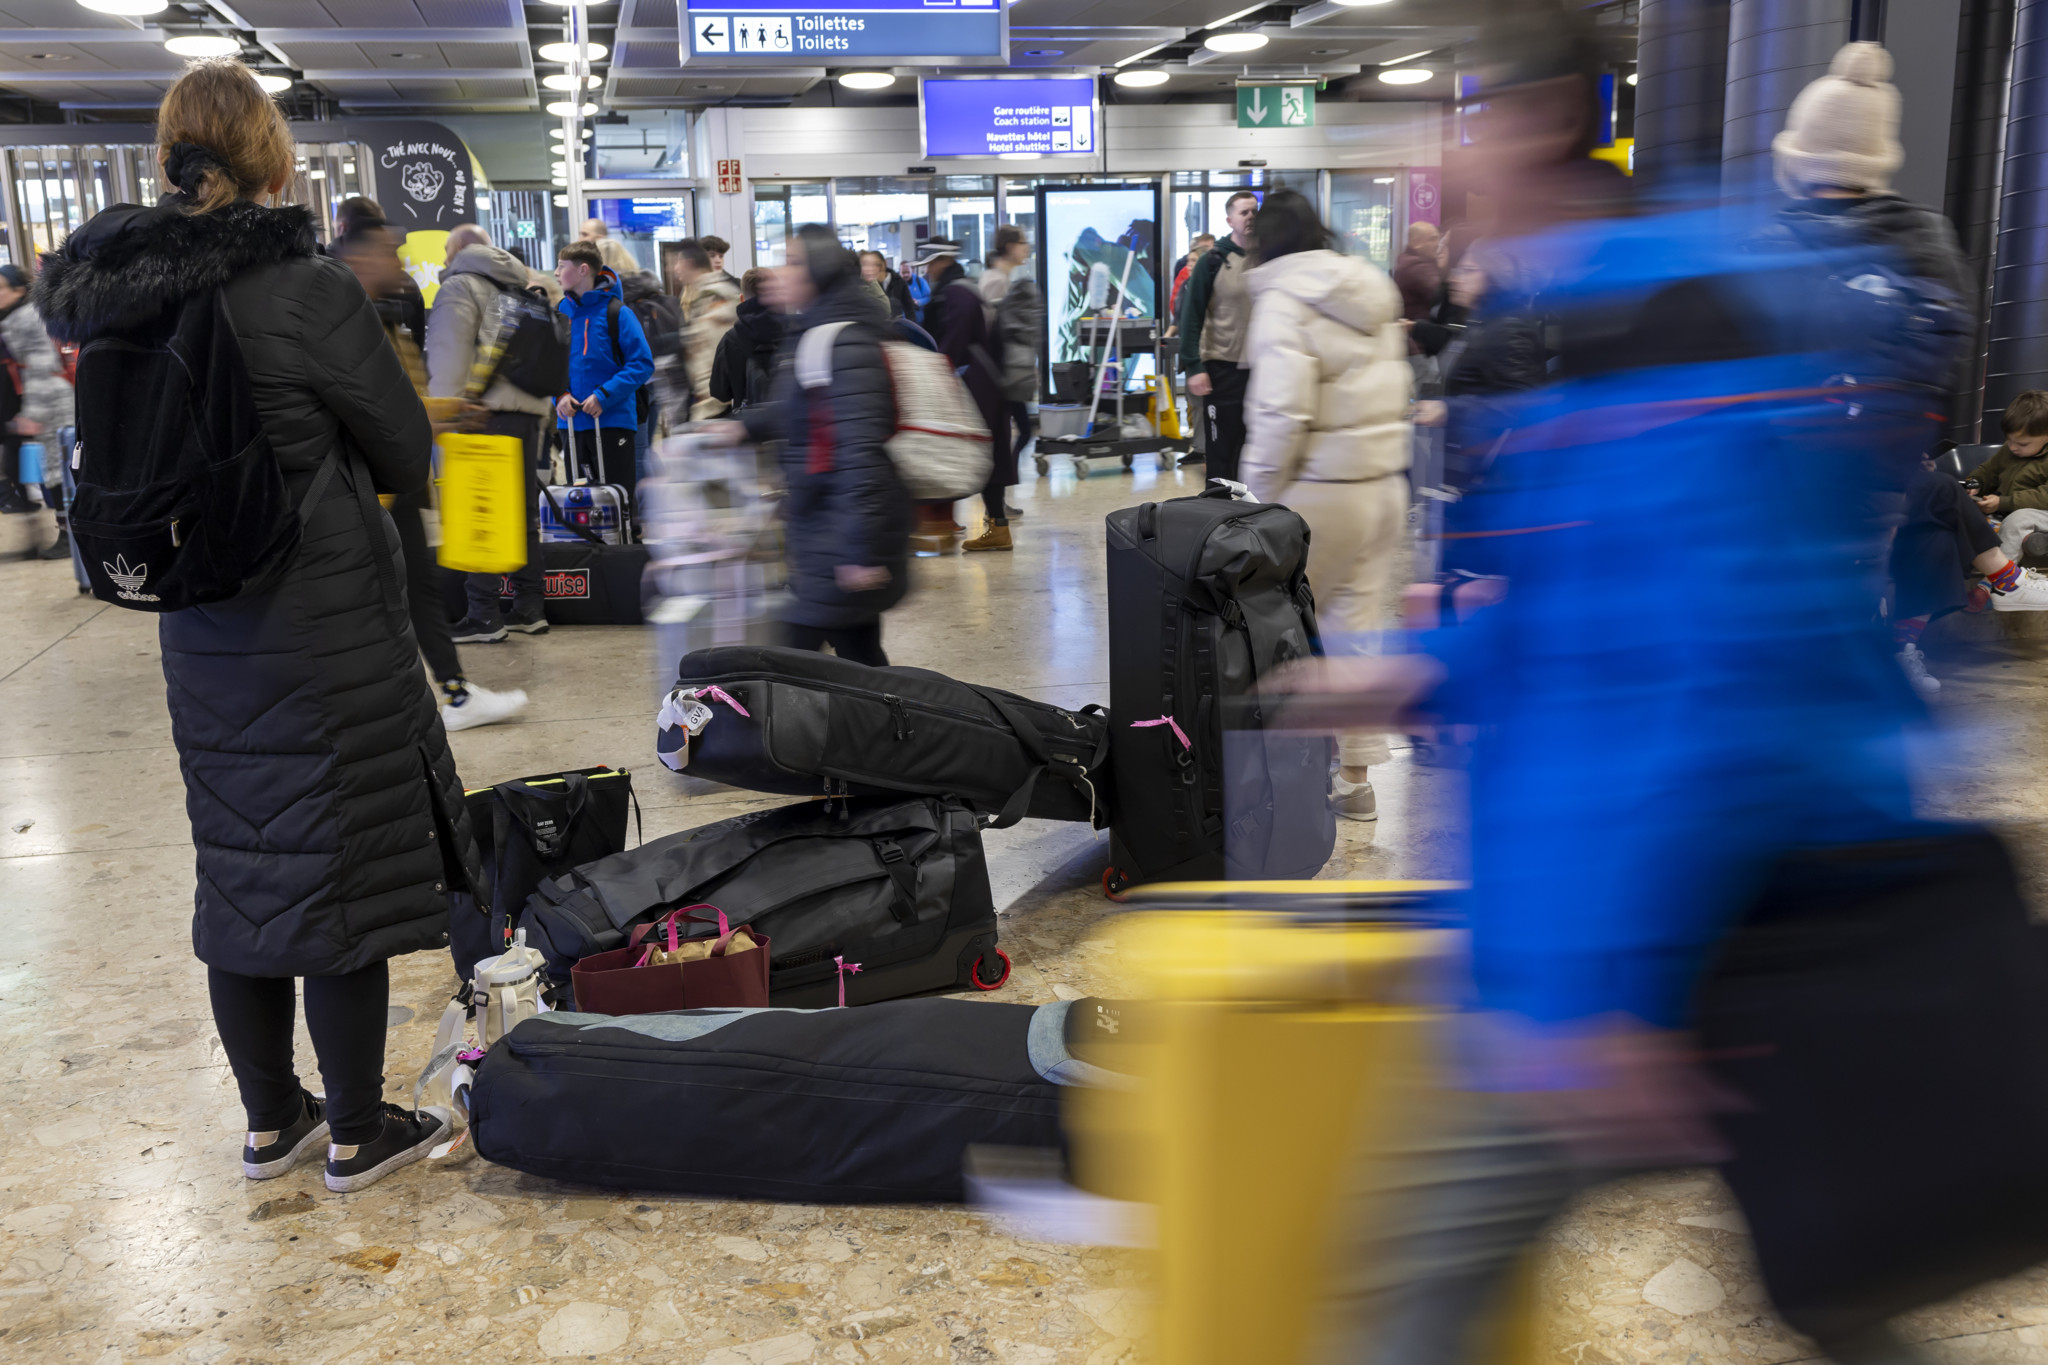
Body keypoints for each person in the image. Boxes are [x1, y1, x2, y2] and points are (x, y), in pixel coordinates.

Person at [1281, 13, 1966, 1362]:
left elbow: (1717, 672)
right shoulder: (1617, 308)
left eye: (1459, 129)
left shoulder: (1671, 324)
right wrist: (1416, 672)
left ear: (1534, 123)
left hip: (1671, 916)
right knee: (1833, 1289)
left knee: (1409, 1287)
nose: (1448, 172)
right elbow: (1597, 617)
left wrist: (1618, 990)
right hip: (1672, 898)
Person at [37, 58, 476, 1193]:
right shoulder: (301, 284)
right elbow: (399, 448)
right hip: (319, 614)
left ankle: (270, 1120)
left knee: (242, 867)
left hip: (200, 619)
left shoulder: (128, 292)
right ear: (273, 159)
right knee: (341, 874)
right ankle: (357, 1132)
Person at [1237, 189, 1411, 824]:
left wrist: (1252, 496)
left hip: (1322, 492)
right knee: (1354, 635)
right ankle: (1357, 781)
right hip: (1384, 486)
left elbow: (1282, 412)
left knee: (1265, 632)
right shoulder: (1368, 290)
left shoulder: (1285, 299)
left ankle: (1265, 781)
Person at [334, 220, 528, 728]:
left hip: (399, 479)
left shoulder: (380, 318)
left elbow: (403, 398)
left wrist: (451, 411)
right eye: (389, 253)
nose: (399, 262)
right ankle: (434, 696)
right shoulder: (348, 326)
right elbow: (378, 408)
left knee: (416, 589)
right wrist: (446, 412)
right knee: (391, 596)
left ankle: (455, 692)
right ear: (358, 262)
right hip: (373, 488)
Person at [707, 224, 909, 664]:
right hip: (827, 527)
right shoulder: (815, 332)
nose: (783, 271)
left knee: (788, 662)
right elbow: (800, 409)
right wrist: (740, 428)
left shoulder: (841, 340)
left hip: (841, 532)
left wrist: (861, 553)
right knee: (860, 654)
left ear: (818, 273)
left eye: (794, 262)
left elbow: (860, 451)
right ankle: (891, 728)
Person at [427, 221, 561, 656]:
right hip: (529, 416)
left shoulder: (460, 286)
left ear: (461, 251)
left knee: (478, 512)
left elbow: (450, 350)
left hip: (480, 415)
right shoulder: (526, 287)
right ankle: (529, 607)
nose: (445, 262)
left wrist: (444, 412)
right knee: (523, 514)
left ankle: (483, 615)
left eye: (448, 254)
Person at [918, 237, 1012, 552]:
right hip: (985, 381)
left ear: (942, 262)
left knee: (954, 452)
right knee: (986, 455)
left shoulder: (956, 293)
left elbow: (953, 343)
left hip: (972, 384)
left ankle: (942, 526)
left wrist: (935, 376)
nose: (928, 271)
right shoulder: (966, 288)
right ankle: (997, 527)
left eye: (930, 264)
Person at [550, 239, 653, 502]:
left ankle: (624, 542)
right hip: (571, 423)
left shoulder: (617, 312)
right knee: (579, 501)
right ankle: (586, 544)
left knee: (616, 500)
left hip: (612, 420)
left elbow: (641, 363)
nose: (556, 272)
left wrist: (604, 396)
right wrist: (559, 396)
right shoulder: (559, 313)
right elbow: (548, 364)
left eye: (562, 266)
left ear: (583, 270)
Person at [1177, 192, 1258, 480]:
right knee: (1221, 447)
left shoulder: (1266, 258)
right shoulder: (1212, 261)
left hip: (1260, 367)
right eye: (1243, 212)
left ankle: (1253, 514)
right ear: (1230, 219)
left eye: (1253, 212)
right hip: (1222, 365)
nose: (1250, 217)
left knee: (1252, 447)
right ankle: (1221, 511)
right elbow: (1191, 316)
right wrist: (1194, 366)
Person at [0, 263, 75, 554]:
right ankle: (54, 535)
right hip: (37, 402)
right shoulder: (13, 318)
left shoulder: (26, 318)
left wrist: (32, 413)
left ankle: (70, 536)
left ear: (18, 290)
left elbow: (41, 365)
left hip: (49, 402)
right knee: (43, 470)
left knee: (58, 471)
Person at [597, 237, 681, 479]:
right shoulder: (648, 287)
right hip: (655, 377)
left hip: (629, 383)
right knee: (644, 448)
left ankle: (638, 509)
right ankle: (648, 504)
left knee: (633, 450)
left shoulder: (611, 296)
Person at [985, 225, 1043, 524]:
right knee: (1013, 430)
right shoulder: (996, 281)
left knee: (1017, 429)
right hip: (1001, 375)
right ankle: (997, 498)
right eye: (1023, 243)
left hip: (1007, 373)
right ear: (1009, 246)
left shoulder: (1004, 279)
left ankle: (1000, 496)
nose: (1027, 247)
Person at [1966, 395, 2048, 572]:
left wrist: (2003, 502)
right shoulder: (2011, 450)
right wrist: (1974, 483)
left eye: (2022, 443)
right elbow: (1989, 470)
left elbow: (2044, 497)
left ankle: (1997, 581)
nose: (2012, 447)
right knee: (1963, 509)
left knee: (2017, 520)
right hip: (2008, 510)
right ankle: (1964, 571)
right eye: (2009, 440)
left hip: (2041, 514)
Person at [332, 197, 424, 349]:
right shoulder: (407, 285)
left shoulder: (320, 282)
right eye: (387, 252)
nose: (398, 262)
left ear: (341, 228)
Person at [674, 237, 740, 420]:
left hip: (717, 401)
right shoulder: (689, 296)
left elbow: (714, 353)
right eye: (712, 255)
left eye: (720, 256)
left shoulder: (723, 292)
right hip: (701, 396)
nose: (718, 260)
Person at [709, 267, 782, 412]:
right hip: (788, 423)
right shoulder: (794, 331)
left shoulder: (731, 339)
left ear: (742, 299)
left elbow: (719, 392)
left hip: (747, 425)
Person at [1393, 222, 1442, 326]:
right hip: (1419, 333)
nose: (1438, 244)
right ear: (1415, 242)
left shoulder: (1408, 260)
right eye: (1432, 239)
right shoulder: (1417, 267)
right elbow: (1442, 296)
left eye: (1438, 239)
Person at [1169, 232, 1213, 328]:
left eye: (1193, 261)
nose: (1190, 265)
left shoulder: (1217, 281)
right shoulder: (1185, 281)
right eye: (1189, 261)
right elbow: (1177, 309)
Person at [860, 248, 910, 318]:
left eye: (877, 264)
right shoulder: (865, 284)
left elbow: (908, 306)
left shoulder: (898, 281)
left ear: (884, 263)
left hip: (895, 324)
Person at [902, 256, 930, 322]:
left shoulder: (920, 281)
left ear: (912, 270)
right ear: (899, 272)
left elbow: (929, 297)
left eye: (908, 272)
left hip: (919, 321)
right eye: (903, 272)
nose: (906, 275)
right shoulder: (895, 284)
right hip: (904, 322)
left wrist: (918, 302)